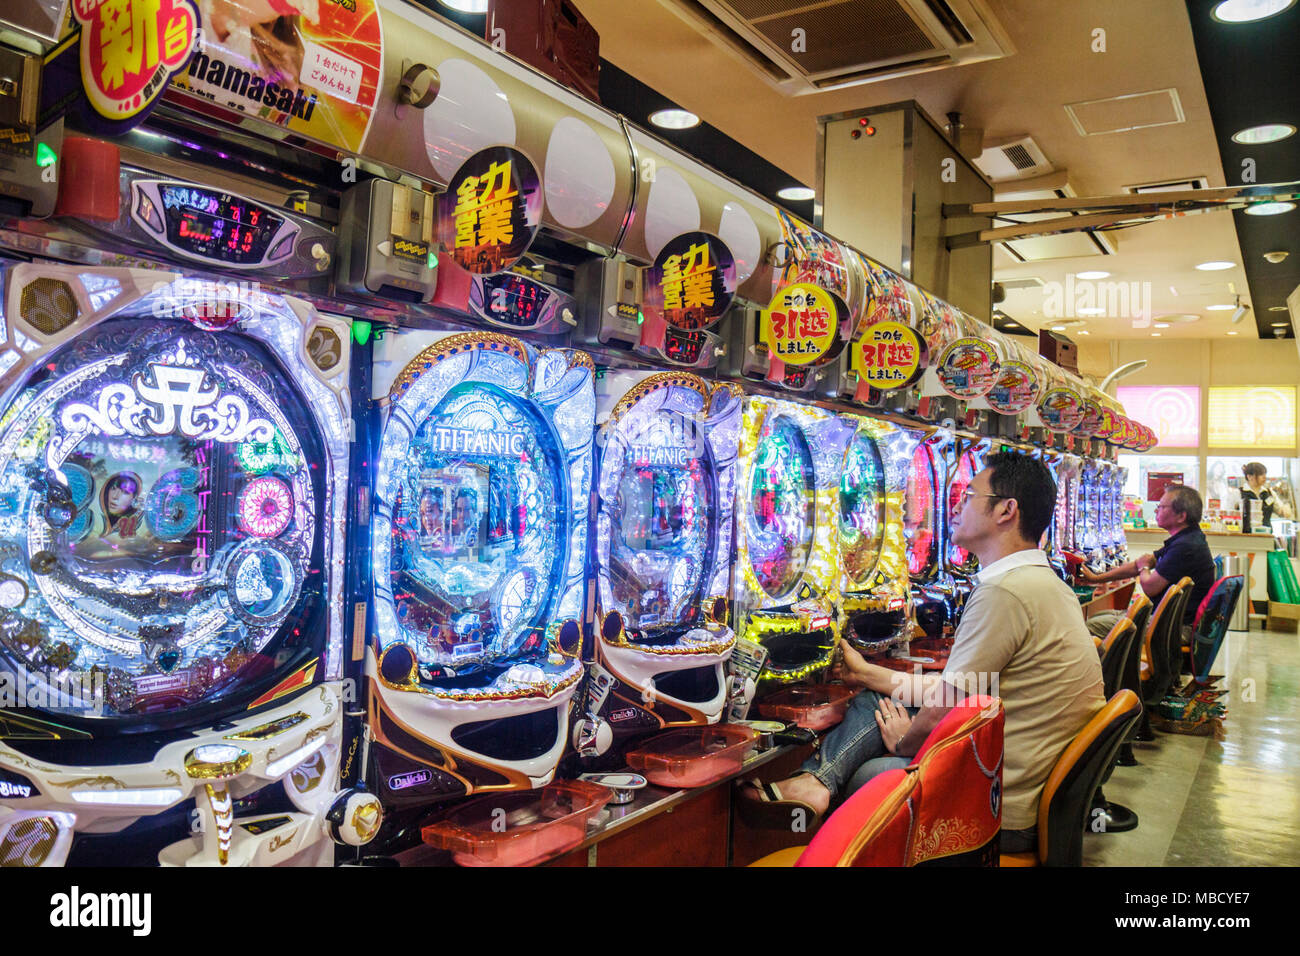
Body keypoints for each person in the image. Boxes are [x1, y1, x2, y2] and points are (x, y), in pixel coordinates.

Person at [741, 451, 1105, 852]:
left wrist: (906, 744)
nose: (957, 505)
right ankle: (815, 782)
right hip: (1028, 780)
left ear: (1006, 510)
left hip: (1003, 803)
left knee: (874, 770)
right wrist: (867, 673)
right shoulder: (1043, 582)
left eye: (968, 494)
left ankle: (821, 812)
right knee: (878, 696)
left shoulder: (1005, 592)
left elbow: (945, 706)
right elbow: (963, 689)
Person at [1081, 484, 1215, 638]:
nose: (1157, 510)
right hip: (1168, 619)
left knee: (1089, 627)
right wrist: (1096, 578)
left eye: (1162, 507)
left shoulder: (1186, 546)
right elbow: (1138, 565)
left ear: (1181, 516)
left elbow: (1150, 586)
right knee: (1099, 617)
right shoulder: (1187, 539)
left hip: (1174, 628)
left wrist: (1144, 568)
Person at [1240, 462, 1278, 533]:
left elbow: (1280, 510)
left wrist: (1286, 510)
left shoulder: (1269, 493)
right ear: (1249, 476)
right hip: (1244, 536)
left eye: (1265, 474)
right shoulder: (1239, 493)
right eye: (1260, 474)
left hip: (1266, 536)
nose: (1264, 477)